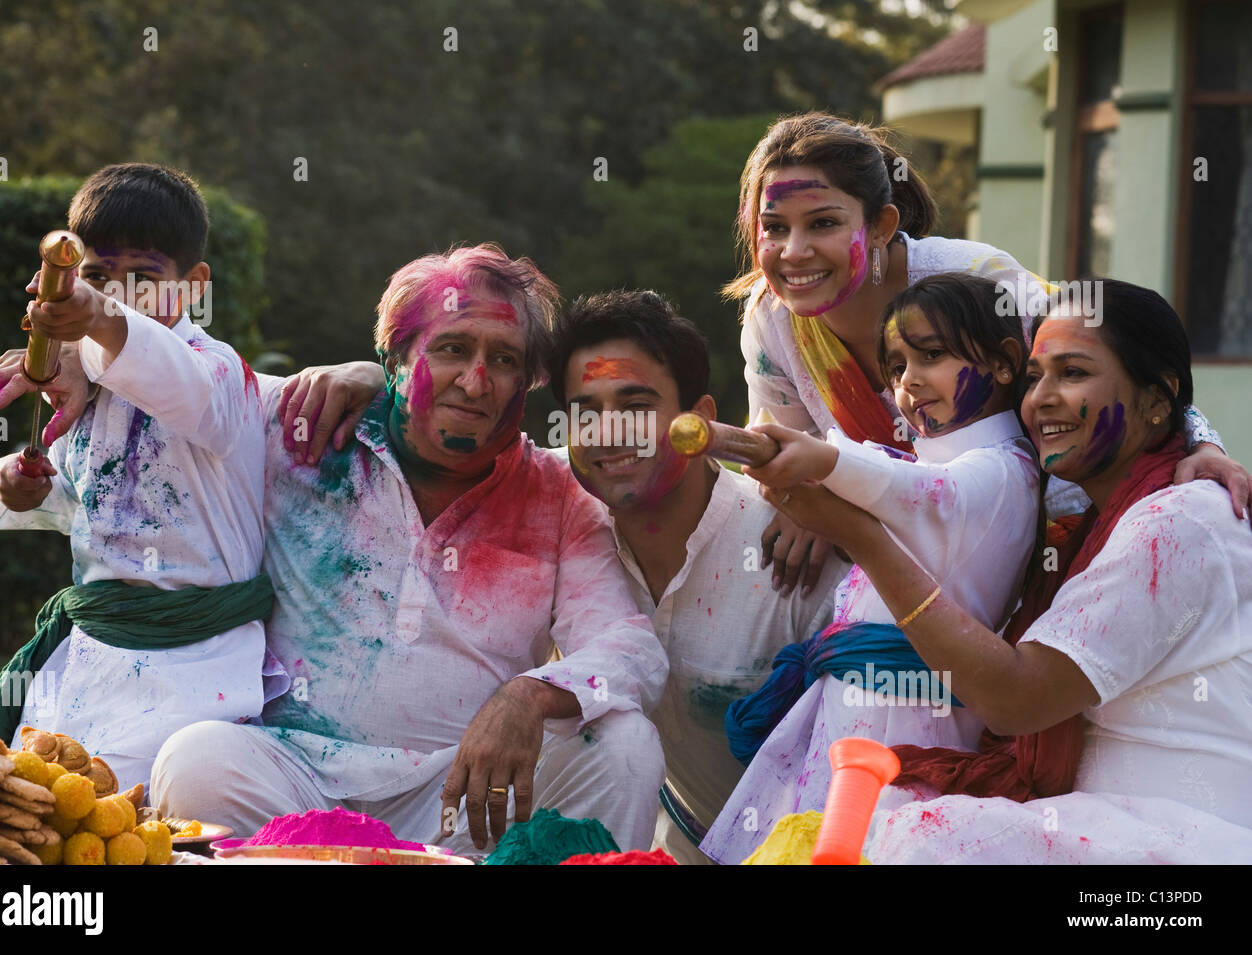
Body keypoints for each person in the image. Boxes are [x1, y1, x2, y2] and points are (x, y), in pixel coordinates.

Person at [149, 245, 669, 853]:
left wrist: (528, 695)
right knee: (196, 759)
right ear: (395, 358)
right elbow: (177, 384)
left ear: (528, 384)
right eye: (452, 349)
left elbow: (629, 648)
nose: (475, 382)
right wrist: (74, 359)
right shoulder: (301, 425)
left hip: (466, 799)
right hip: (297, 779)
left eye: (503, 360)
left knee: (624, 746)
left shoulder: (558, 493)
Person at [760, 279, 1252, 863]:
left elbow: (1017, 699)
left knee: (922, 840)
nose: (1040, 398)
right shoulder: (1081, 517)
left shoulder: (1181, 518)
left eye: (1072, 373)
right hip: (1110, 825)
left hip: (1186, 850)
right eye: (1034, 377)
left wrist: (863, 537)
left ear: (1156, 398)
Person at [727, 112, 1249, 595]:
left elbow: (1116, 365)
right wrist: (801, 499)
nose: (794, 252)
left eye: (822, 224)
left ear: (881, 226)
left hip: (1059, 547)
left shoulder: (980, 281)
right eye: (774, 227)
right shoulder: (772, 320)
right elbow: (782, 446)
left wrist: (1201, 443)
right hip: (900, 573)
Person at [701, 273, 1039, 863]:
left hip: (915, 719)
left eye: (931, 355)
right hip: (852, 702)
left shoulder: (1005, 473)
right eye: (897, 365)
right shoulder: (923, 462)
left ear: (1006, 363)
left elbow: (925, 492)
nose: (909, 381)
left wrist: (825, 458)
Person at [0, 163, 276, 789]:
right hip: (85, 656)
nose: (119, 295)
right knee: (19, 823)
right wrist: (19, 485)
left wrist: (94, 323)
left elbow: (183, 391)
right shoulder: (79, 385)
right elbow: (89, 508)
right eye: (100, 276)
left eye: (144, 277)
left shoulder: (222, 379)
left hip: (197, 675)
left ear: (194, 286)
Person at [545, 289, 844, 863]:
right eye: (587, 412)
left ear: (703, 419)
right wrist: (362, 385)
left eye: (636, 405)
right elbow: (456, 445)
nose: (611, 433)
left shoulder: (796, 540)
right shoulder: (560, 514)